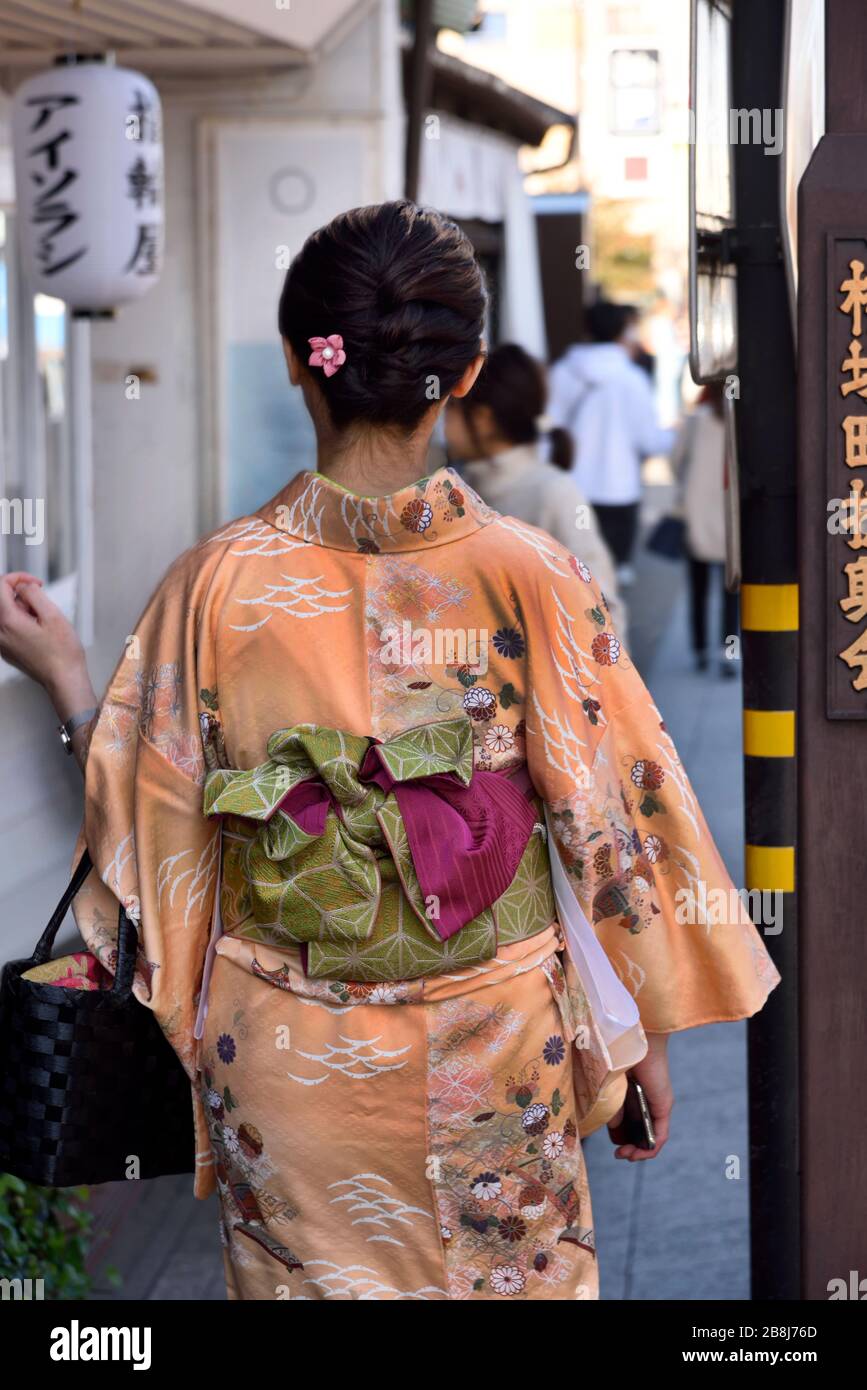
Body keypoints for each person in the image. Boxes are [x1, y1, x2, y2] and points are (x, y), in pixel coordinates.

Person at [0, 201, 779, 1302]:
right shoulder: (531, 572)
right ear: (460, 376)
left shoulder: (211, 586)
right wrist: (638, 1026)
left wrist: (71, 681)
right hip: (495, 1050)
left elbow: (144, 834)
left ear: (296, 362)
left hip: (284, 1060)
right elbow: (611, 816)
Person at [444, 342, 627, 636]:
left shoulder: (555, 493)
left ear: (483, 419)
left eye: (451, 408)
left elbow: (603, 608)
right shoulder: (458, 491)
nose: (443, 422)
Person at [547, 299, 675, 583]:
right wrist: (675, 436)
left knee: (571, 577)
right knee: (611, 582)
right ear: (622, 333)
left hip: (570, 488)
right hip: (620, 494)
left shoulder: (563, 372)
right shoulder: (633, 379)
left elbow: (548, 429)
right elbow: (651, 441)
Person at [674, 382, 739, 675]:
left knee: (698, 588)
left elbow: (675, 461)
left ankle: (700, 650)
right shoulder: (742, 420)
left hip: (697, 512)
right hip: (730, 514)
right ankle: (728, 652)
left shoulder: (695, 421)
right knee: (731, 590)